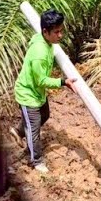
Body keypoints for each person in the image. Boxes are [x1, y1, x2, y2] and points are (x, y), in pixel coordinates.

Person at [12, 9, 76, 174]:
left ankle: (18, 131)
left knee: (45, 115)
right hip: (28, 94)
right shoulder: (39, 52)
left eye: (61, 30)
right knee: (34, 130)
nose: (60, 35)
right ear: (45, 32)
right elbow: (41, 80)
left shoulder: (45, 41)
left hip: (37, 92)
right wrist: (63, 82)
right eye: (56, 32)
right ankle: (36, 161)